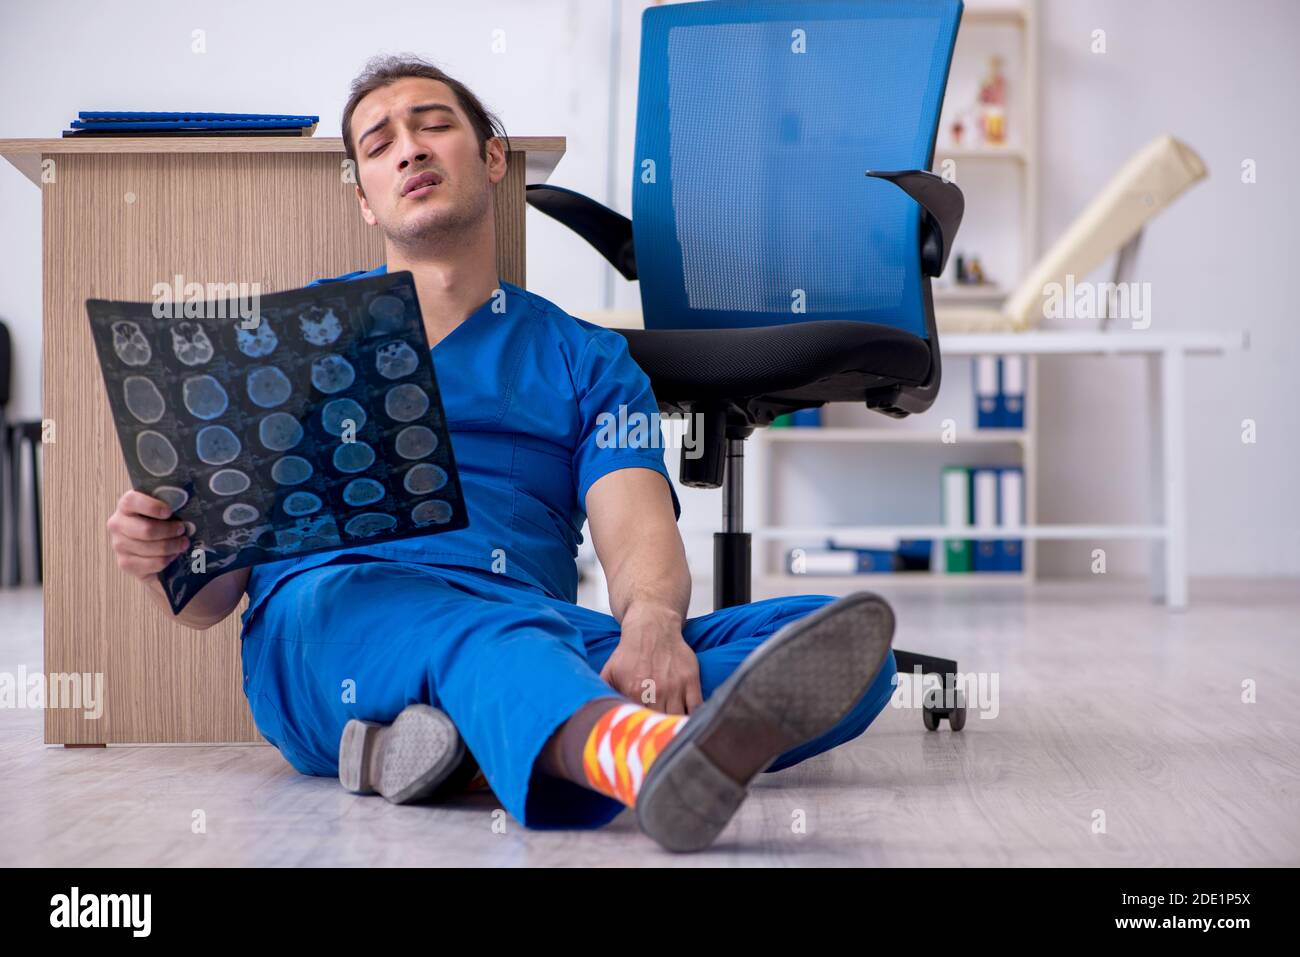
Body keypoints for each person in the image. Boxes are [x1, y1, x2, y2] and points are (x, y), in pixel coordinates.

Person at [104, 55, 899, 853]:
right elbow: (210, 603)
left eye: (434, 125)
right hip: (333, 623)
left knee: (842, 651)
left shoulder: (585, 358)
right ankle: (635, 752)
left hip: (529, 619)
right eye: (379, 145)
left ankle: (442, 752)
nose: (409, 150)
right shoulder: (285, 348)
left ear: (490, 158)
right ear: (365, 200)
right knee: (474, 637)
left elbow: (634, 525)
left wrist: (653, 627)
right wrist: (162, 555)